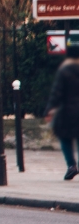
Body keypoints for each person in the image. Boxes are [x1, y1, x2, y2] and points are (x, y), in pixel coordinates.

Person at [45, 42, 79, 180]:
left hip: (68, 111)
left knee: (64, 138)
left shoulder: (64, 71)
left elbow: (56, 93)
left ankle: (71, 165)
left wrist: (49, 109)